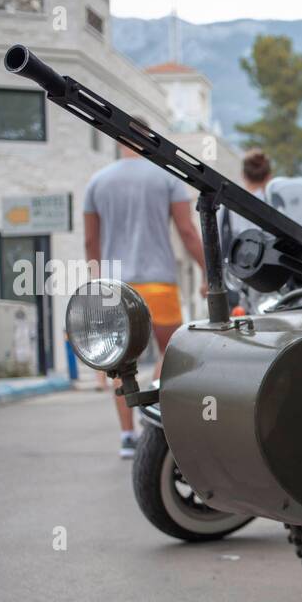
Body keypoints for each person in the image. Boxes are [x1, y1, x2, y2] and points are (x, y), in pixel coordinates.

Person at [83, 120, 206, 457]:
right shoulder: (166, 177)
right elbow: (188, 232)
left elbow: (90, 241)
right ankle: (157, 425)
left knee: (120, 361)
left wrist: (95, 285)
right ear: (148, 138)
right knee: (171, 353)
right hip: (159, 283)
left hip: (115, 287)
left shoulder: (97, 182)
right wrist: (208, 273)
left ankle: (127, 436)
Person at [220, 149, 274, 313]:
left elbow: (221, 242)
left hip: (237, 276)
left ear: (243, 175)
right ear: (269, 175)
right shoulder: (272, 203)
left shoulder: (229, 205)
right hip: (267, 277)